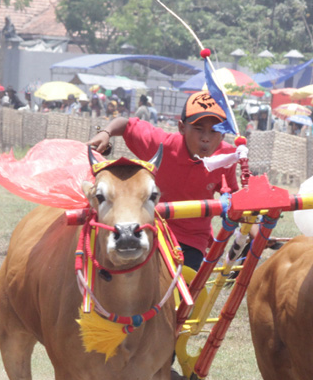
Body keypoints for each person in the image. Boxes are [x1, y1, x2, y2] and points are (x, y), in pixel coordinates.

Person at [86, 90, 239, 272]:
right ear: (182, 127)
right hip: (152, 227)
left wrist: (253, 225)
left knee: (182, 290)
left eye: (215, 131)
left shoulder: (226, 157)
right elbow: (126, 124)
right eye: (198, 129)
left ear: (223, 135)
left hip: (193, 239)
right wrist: (106, 132)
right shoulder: (160, 144)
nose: (206, 137)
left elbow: (232, 194)